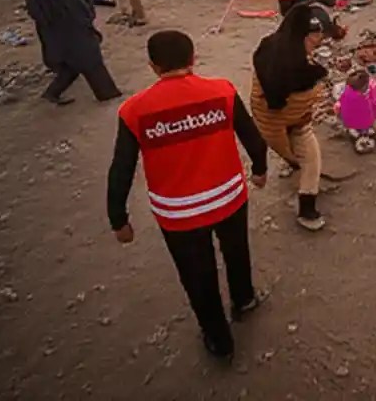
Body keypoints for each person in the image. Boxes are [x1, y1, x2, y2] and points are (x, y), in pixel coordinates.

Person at [106, 30, 270, 358]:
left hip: (179, 214)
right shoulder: (221, 91)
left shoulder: (134, 111)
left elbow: (121, 168)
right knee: (237, 251)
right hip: (229, 198)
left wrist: (118, 218)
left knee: (198, 275)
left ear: (153, 66)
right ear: (193, 58)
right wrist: (260, 169)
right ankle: (244, 299)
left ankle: (219, 341)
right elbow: (252, 137)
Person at [249, 1, 342, 231]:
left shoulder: (273, 46)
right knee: (295, 154)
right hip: (272, 121)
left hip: (295, 120)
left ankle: (307, 206)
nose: (320, 42)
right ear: (305, 35)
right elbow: (281, 103)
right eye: (318, 37)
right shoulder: (286, 68)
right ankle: (292, 162)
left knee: (311, 158)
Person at [25, 0, 122, 105]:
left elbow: (36, 11)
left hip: (57, 38)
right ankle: (107, 94)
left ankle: (52, 93)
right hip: (76, 34)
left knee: (71, 67)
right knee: (92, 63)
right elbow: (79, 6)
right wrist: (87, 23)